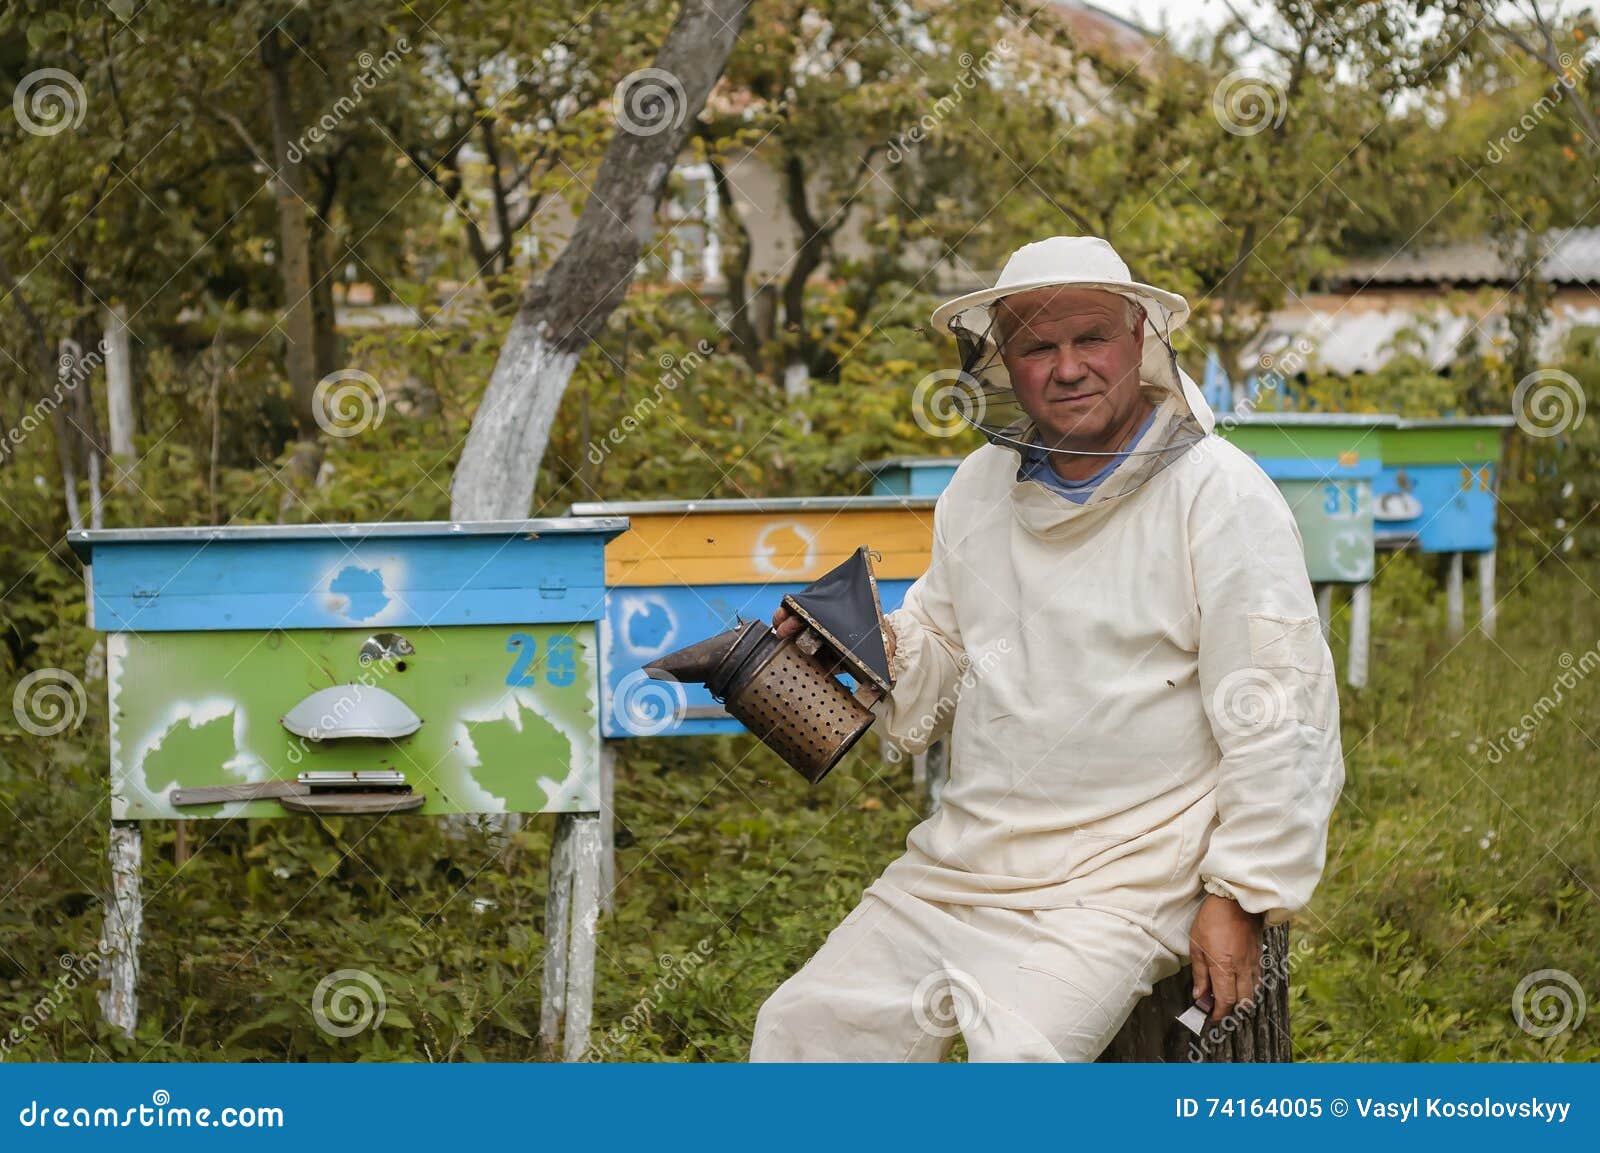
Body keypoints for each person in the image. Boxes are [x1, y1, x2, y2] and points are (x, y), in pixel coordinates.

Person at [750, 236, 1345, 1062]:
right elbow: (939, 659)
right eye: (1038, 346)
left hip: (1124, 878)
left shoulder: (1219, 495)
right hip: (962, 866)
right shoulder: (978, 490)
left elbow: (1282, 709)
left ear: (1139, 339)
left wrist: (1241, 894)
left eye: (1090, 338)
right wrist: (858, 646)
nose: (1068, 368)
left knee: (1020, 1067)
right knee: (801, 1029)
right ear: (1003, 360)